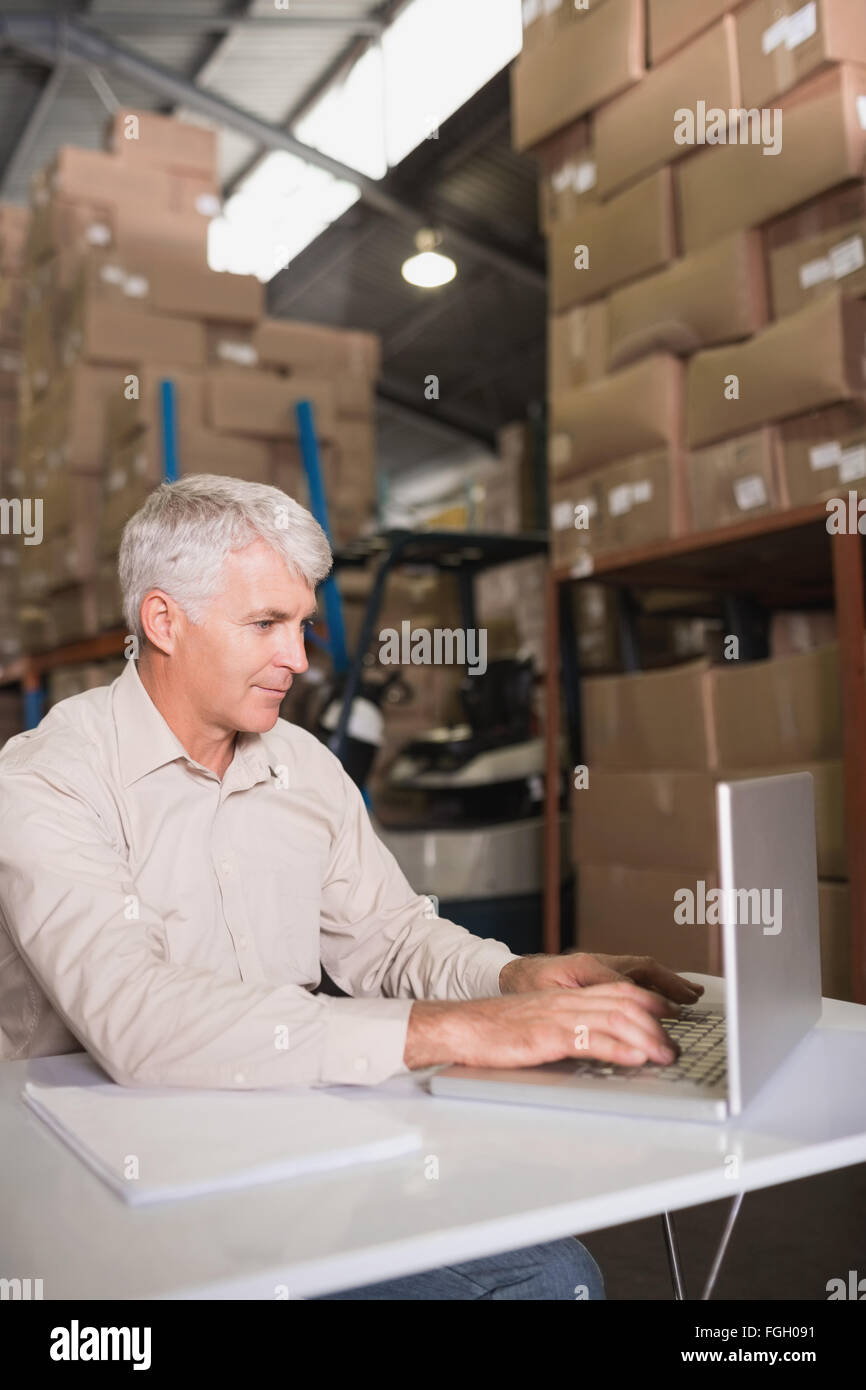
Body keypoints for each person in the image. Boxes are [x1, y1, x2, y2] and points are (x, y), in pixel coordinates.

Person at [0, 475, 702, 1299]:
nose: (297, 659)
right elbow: (140, 1019)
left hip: (279, 1144)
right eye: (265, 624)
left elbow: (391, 936)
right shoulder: (49, 780)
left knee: (555, 1278)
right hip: (99, 1194)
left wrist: (512, 978)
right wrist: (463, 1030)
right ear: (163, 621)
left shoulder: (303, 768)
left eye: (300, 626)